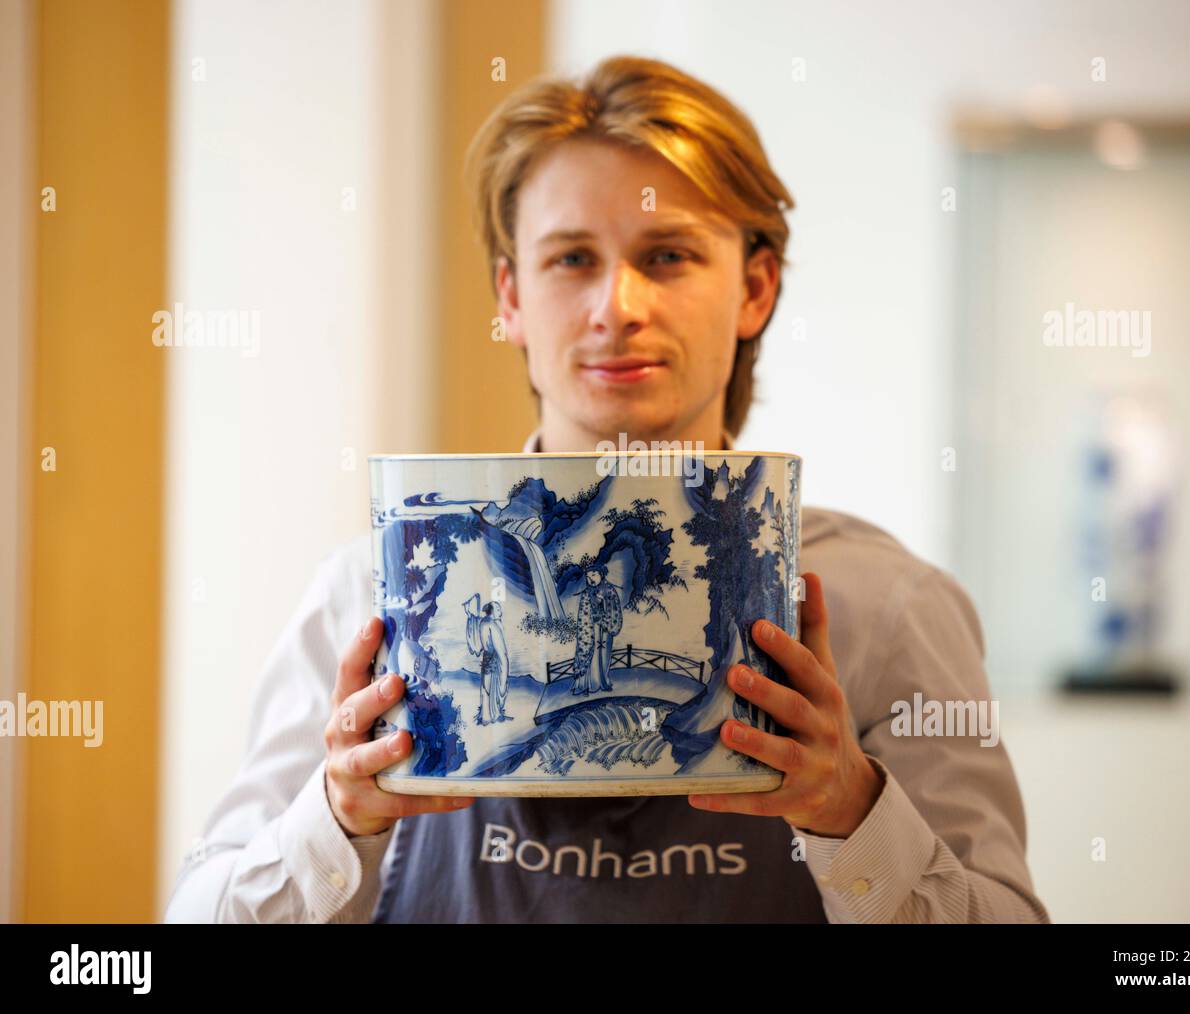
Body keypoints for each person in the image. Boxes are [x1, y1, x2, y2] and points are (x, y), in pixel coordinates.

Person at [163, 54, 1050, 924]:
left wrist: (857, 813)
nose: (616, 306)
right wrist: (336, 819)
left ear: (754, 287)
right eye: (572, 259)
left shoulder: (892, 611)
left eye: (666, 255)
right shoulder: (365, 601)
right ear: (509, 296)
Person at [571, 565, 622, 695]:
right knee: (592, 657)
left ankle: (603, 682)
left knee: (604, 657)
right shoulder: (587, 593)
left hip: (605, 630)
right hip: (590, 631)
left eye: (593, 575)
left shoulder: (609, 590)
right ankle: (590, 684)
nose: (591, 580)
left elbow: (614, 611)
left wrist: (602, 611)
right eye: (588, 577)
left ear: (601, 574)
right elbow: (584, 614)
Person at [464, 596, 511, 723]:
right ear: (492, 611)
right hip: (495, 658)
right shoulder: (492, 625)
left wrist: (469, 614)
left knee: (486, 686)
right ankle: (494, 715)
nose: (501, 612)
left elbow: (478, 643)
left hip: (486, 657)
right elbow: (500, 648)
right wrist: (504, 661)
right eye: (498, 609)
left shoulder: (482, 623)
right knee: (495, 685)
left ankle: (485, 716)